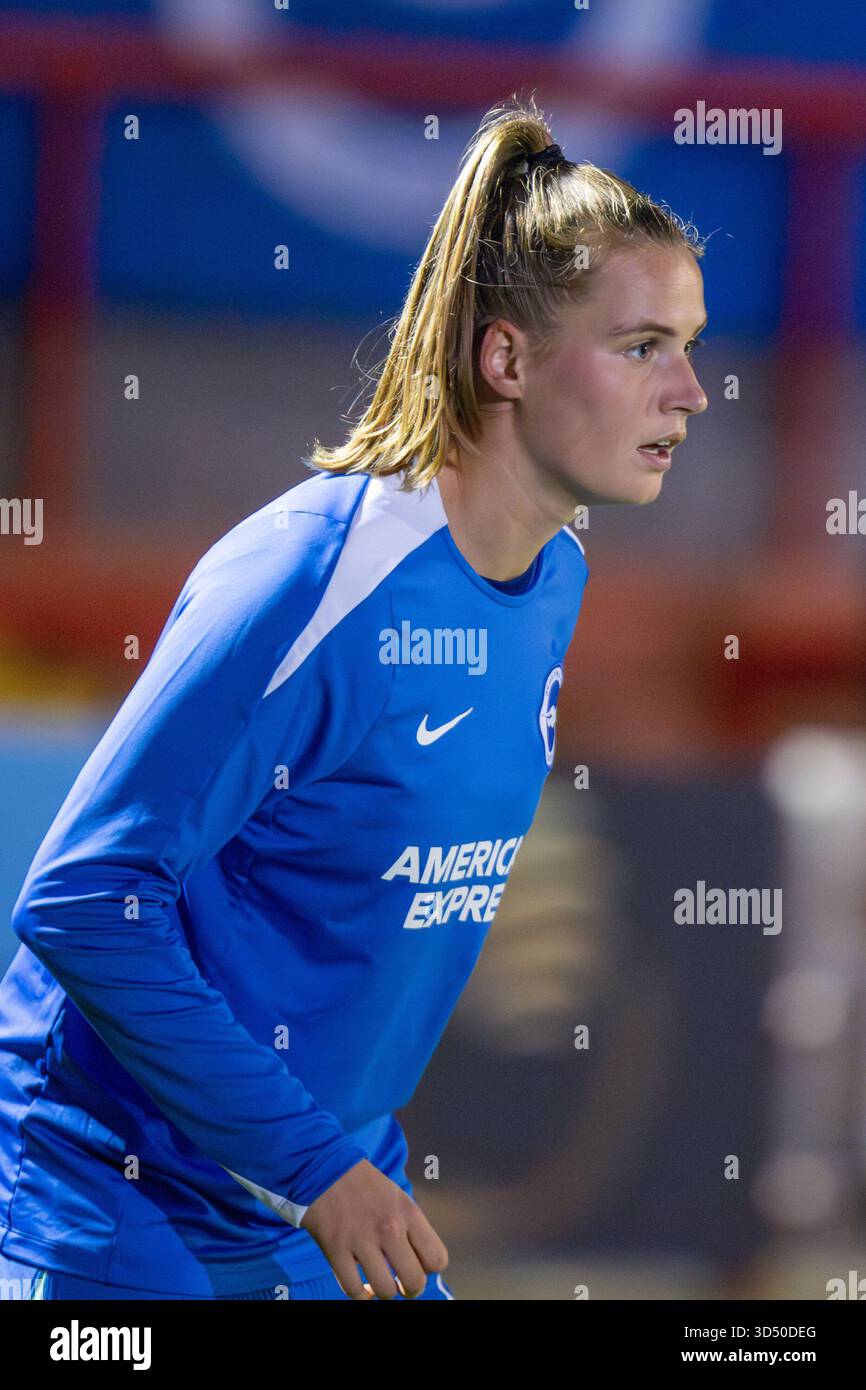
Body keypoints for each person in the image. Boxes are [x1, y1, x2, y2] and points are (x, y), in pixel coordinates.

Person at [0, 96, 708, 1302]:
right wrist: (315, 1161)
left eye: (690, 343)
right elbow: (83, 898)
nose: (690, 391)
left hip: (315, 1199)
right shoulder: (307, 585)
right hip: (119, 1210)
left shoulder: (554, 576)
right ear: (506, 358)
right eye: (641, 345)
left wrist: (328, 1160)